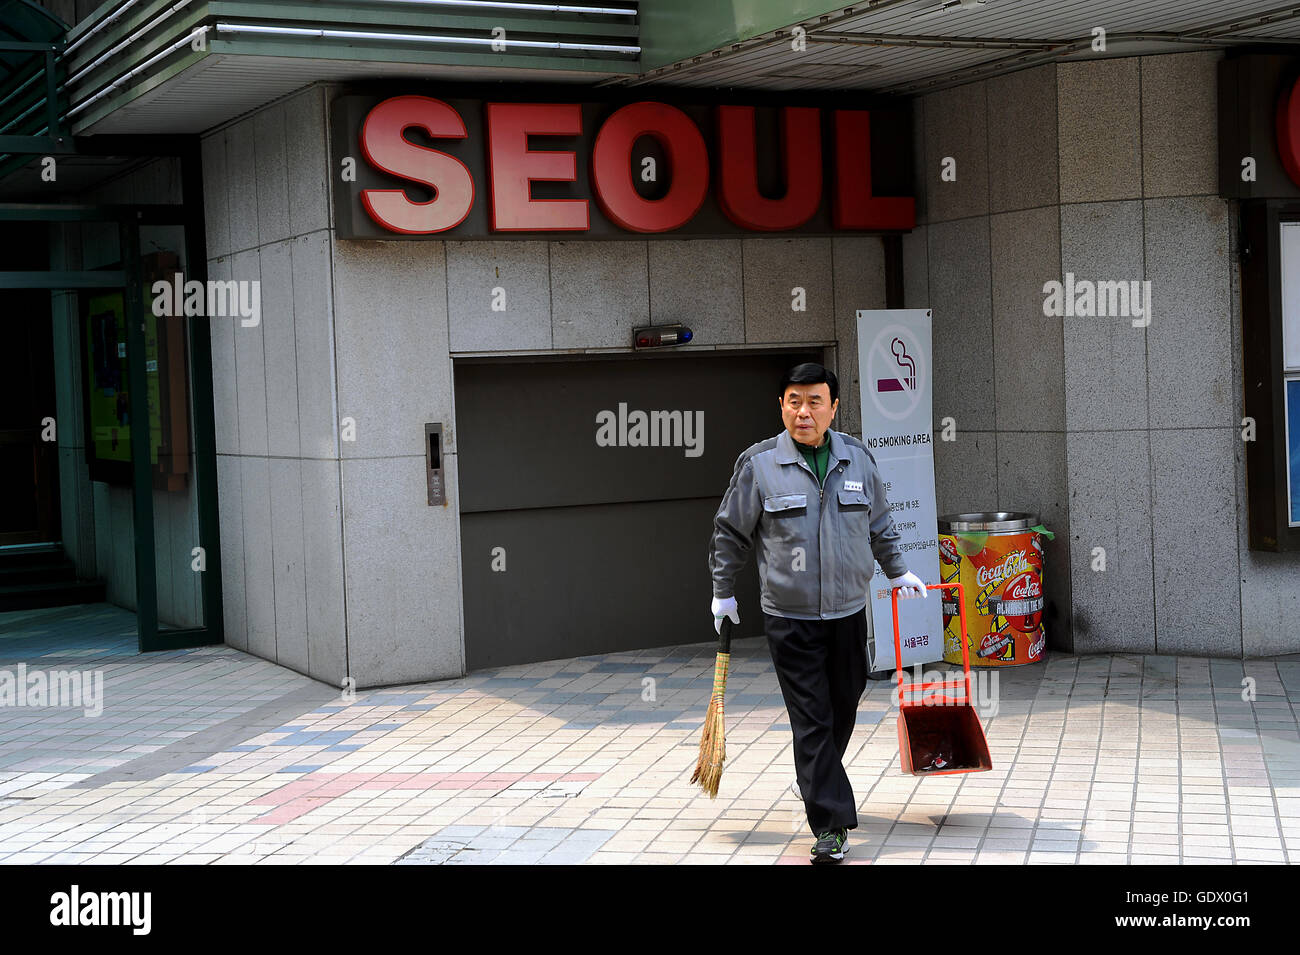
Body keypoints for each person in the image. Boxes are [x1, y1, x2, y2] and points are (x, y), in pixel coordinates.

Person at [707, 361, 926, 864]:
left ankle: (815, 775)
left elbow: (881, 522)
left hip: (849, 613)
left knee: (843, 707)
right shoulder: (759, 464)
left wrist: (897, 570)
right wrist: (723, 590)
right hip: (790, 617)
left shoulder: (856, 457)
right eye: (793, 401)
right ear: (781, 405)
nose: (803, 412)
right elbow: (730, 531)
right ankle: (829, 826)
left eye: (814, 402)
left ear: (833, 407)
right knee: (811, 719)